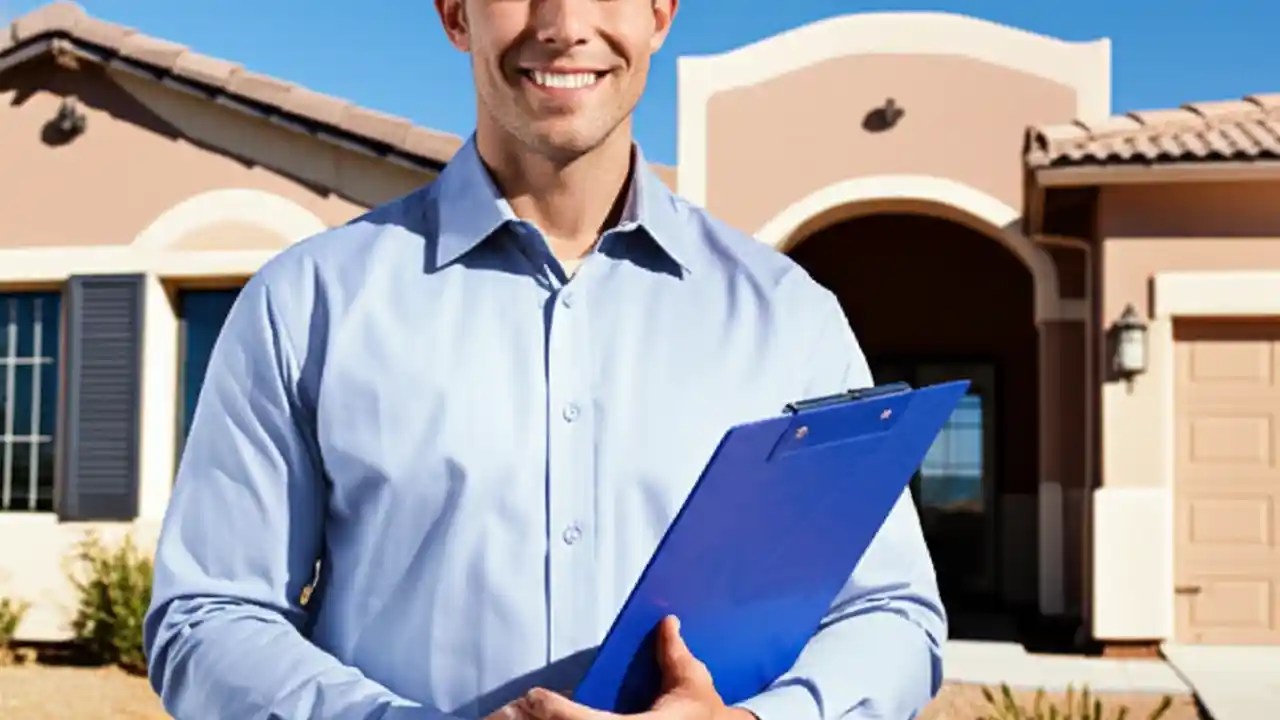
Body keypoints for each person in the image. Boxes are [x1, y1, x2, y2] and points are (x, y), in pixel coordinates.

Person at [142, 0, 947, 718]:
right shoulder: (305, 304)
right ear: (454, 14)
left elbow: (889, 612)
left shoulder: (789, 317)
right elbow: (208, 615)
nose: (563, 22)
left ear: (662, 12)